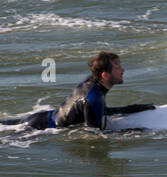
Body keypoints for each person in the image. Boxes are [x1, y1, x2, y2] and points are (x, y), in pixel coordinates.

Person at [1, 51, 154, 131]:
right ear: (105, 75)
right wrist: (135, 132)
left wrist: (134, 108)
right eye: (117, 67)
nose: (123, 70)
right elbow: (94, 134)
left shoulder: (92, 82)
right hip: (40, 128)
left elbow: (99, 112)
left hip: (41, 118)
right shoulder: (94, 97)